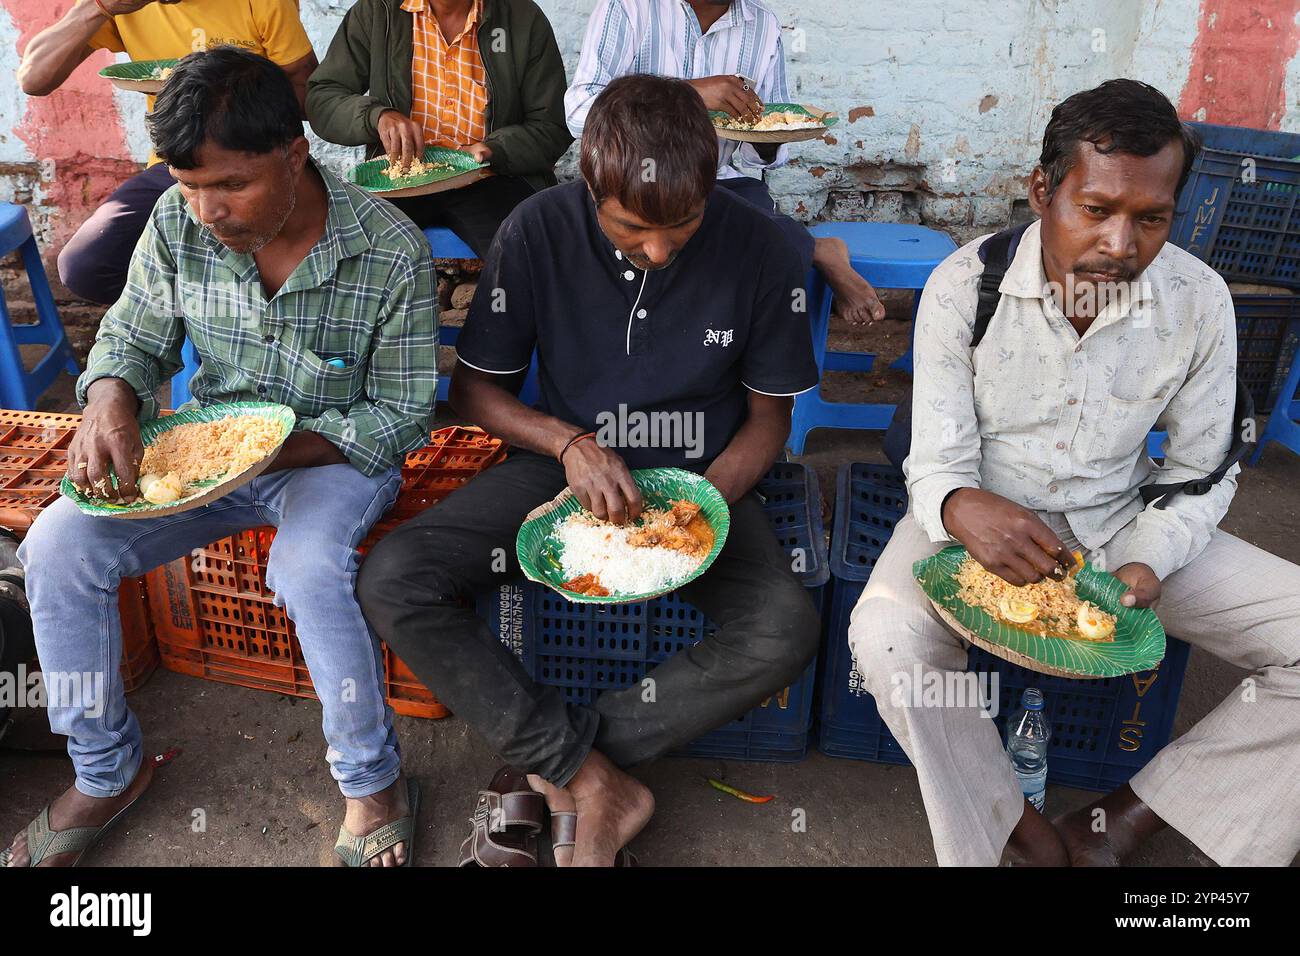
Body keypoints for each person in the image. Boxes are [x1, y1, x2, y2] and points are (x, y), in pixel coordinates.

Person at [358, 74, 822, 867]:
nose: (659, 248)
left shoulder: (763, 246)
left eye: (683, 224)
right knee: (394, 577)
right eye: (633, 227)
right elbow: (476, 391)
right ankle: (590, 777)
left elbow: (767, 420)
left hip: (701, 483)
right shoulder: (537, 227)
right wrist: (570, 443)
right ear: (591, 185)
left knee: (784, 627)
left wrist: (692, 509)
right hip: (563, 471)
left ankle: (556, 759)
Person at [3, 48, 437, 868]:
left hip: (329, 459)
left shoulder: (389, 250)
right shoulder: (174, 220)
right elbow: (131, 336)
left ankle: (372, 782)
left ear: (295, 153)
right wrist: (107, 399)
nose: (207, 209)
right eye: (189, 184)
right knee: (57, 548)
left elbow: (404, 414)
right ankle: (105, 771)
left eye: (231, 185)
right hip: (200, 453)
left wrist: (266, 454)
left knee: (308, 571)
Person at [848, 79, 1300, 867]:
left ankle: (1119, 826)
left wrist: (1147, 558)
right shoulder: (968, 284)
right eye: (1096, 210)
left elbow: (1202, 468)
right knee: (888, 642)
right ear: (1042, 191)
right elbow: (939, 458)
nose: (1122, 244)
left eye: (1151, 218)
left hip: (1122, 525)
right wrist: (959, 505)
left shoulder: (1200, 301)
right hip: (980, 530)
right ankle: (1018, 837)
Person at [565, 0, 885, 324]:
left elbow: (756, 149)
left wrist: (772, 135)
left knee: (764, 248)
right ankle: (811, 246)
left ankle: (743, 353)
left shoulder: (762, 25)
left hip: (721, 182)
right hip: (634, 179)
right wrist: (686, 95)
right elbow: (578, 115)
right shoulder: (628, 8)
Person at [18, 0, 318, 306]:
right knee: (87, 267)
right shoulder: (124, 7)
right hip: (178, 167)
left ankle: (233, 319)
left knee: (250, 251)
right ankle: (201, 317)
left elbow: (308, 96)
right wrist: (98, 7)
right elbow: (33, 78)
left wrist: (223, 100)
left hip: (249, 163)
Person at [307, 0, 572, 256]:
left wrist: (495, 150)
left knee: (524, 257)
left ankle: (495, 302)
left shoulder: (520, 17)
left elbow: (552, 125)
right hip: (399, 180)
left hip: (493, 178)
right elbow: (323, 99)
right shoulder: (379, 12)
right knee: (357, 255)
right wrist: (377, 116)